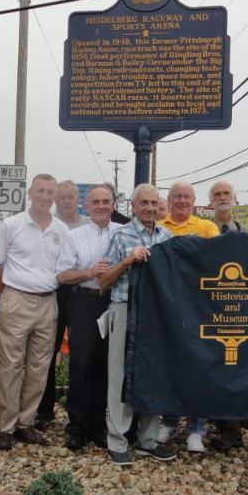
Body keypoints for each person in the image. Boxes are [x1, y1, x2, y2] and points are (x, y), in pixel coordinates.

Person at [0, 173, 69, 450]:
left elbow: (66, 267)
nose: (45, 196)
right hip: (16, 299)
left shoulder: (61, 230)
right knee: (10, 367)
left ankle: (26, 422)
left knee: (39, 367)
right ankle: (5, 426)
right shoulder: (12, 225)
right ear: (31, 193)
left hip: (48, 302)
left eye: (50, 192)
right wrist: (7, 297)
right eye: (41, 191)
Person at [98, 183, 177, 465]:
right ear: (133, 206)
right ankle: (117, 441)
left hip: (156, 315)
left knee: (153, 376)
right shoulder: (121, 236)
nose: (150, 208)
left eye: (154, 203)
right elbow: (103, 281)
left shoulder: (168, 236)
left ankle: (148, 441)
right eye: (144, 203)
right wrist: (129, 260)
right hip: (124, 309)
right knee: (120, 377)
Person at [157, 181, 220, 454]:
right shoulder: (160, 228)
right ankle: (170, 421)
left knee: (200, 366)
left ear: (194, 200)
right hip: (169, 305)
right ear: (169, 200)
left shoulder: (207, 227)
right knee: (170, 363)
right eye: (177, 197)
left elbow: (217, 260)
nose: (182, 201)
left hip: (200, 305)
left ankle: (196, 429)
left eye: (186, 196)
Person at [56, 185, 121, 450]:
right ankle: (76, 427)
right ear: (87, 206)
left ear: (114, 204)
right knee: (81, 364)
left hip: (114, 303)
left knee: (106, 366)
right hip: (85, 301)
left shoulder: (123, 232)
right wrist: (90, 272)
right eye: (96, 201)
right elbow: (62, 275)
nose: (102, 206)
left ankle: (97, 425)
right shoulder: (75, 236)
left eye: (106, 201)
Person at [37, 180, 89, 429]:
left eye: (71, 196)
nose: (67, 200)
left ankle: (79, 410)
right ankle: (44, 410)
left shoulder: (88, 225)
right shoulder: (50, 225)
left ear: (78, 200)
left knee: (81, 353)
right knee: (48, 351)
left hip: (81, 294)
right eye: (63, 197)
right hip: (54, 293)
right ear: (56, 200)